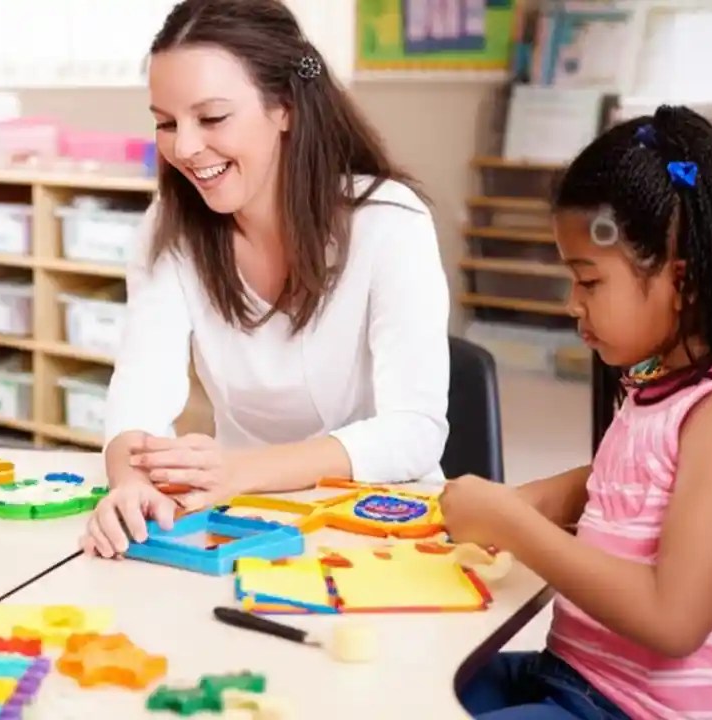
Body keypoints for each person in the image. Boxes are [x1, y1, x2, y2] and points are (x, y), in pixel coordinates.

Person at [442, 105, 712, 719]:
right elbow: (630, 477)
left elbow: (674, 619)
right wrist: (532, 500)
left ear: (681, 283)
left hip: (646, 711)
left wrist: (513, 525)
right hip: (575, 676)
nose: (572, 303)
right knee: (406, 690)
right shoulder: (659, 381)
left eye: (589, 281)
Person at [81, 0, 452, 558]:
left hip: (378, 520)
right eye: (165, 122)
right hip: (241, 520)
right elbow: (141, 385)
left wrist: (239, 470)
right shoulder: (172, 225)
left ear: (285, 108)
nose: (184, 147)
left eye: (211, 118)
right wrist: (130, 480)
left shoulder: (388, 222)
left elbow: (415, 431)